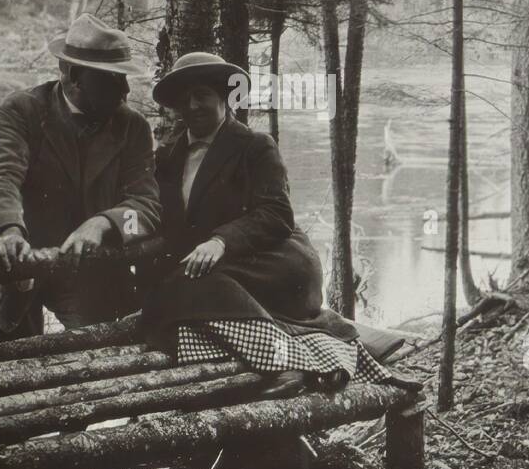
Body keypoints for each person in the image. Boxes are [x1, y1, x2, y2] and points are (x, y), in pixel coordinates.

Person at [142, 51, 411, 396]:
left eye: (203, 96)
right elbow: (164, 221)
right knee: (173, 298)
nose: (193, 105)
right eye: (185, 98)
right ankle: (316, 359)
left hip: (276, 260)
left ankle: (285, 365)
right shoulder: (167, 157)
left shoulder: (254, 146)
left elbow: (276, 214)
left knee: (188, 289)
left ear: (224, 98)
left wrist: (220, 241)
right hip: (222, 271)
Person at [0, 14, 160, 341]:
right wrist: (8, 230)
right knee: (11, 364)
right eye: (114, 79)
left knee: (98, 357)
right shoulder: (23, 110)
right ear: (76, 76)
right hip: (13, 263)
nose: (125, 90)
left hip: (86, 271)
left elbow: (146, 206)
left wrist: (103, 224)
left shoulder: (132, 128)